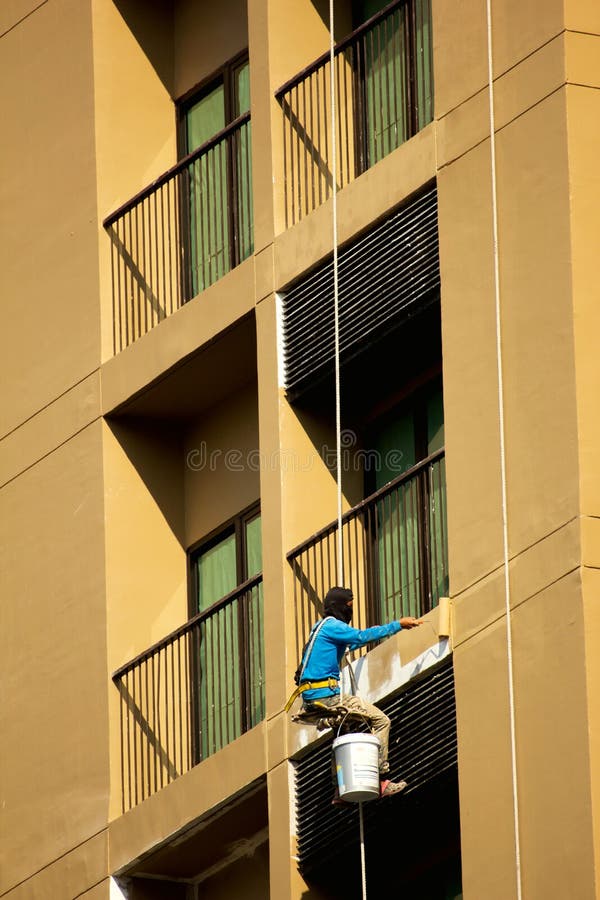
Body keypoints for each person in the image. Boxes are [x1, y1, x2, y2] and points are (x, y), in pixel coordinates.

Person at [297, 586, 423, 799]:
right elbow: (362, 637)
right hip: (327, 696)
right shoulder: (333, 626)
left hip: (311, 698)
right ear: (339, 606)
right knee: (381, 720)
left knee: (343, 727)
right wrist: (398, 625)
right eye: (349, 606)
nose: (350, 610)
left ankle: (338, 788)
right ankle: (382, 779)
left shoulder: (318, 628)